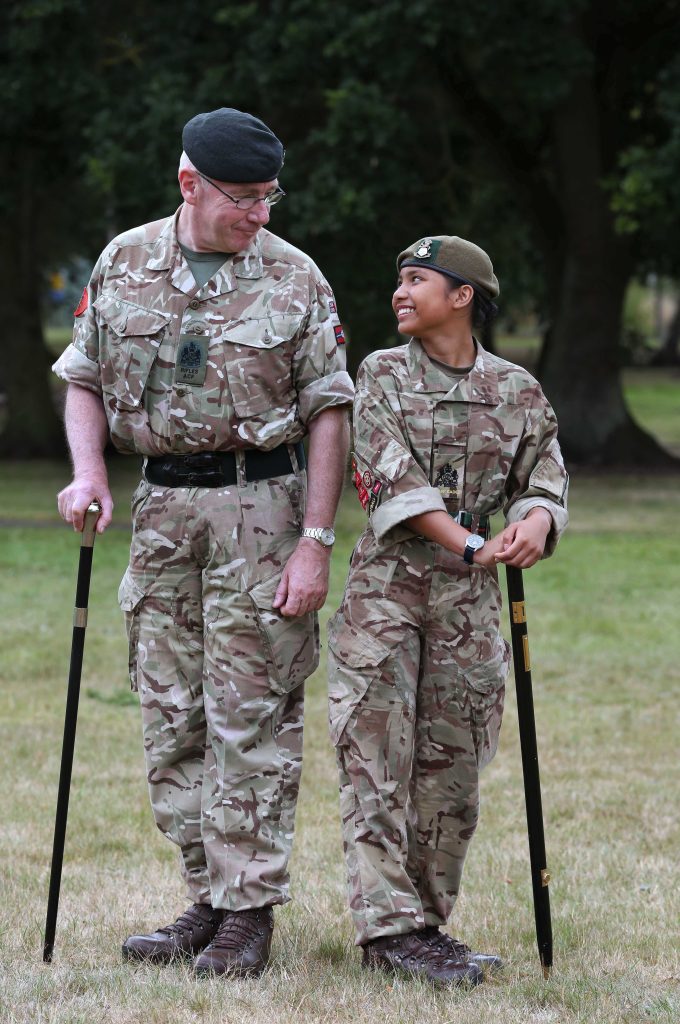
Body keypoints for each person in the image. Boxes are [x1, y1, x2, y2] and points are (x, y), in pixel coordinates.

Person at [53, 107, 353, 977]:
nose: (259, 213)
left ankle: (248, 914)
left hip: (261, 510)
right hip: (162, 515)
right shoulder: (124, 261)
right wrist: (89, 473)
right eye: (243, 198)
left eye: (269, 197)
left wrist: (315, 540)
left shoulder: (294, 277)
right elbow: (82, 379)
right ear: (189, 184)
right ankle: (208, 898)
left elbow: (330, 411)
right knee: (171, 715)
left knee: (251, 716)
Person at [327, 235, 568, 987]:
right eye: (398, 280)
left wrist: (535, 521)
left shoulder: (516, 389)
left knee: (453, 769)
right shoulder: (381, 375)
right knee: (375, 761)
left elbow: (543, 474)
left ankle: (426, 926)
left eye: (417, 280)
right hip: (387, 595)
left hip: (469, 607)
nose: (399, 292)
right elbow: (388, 480)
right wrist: (470, 543)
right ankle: (388, 930)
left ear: (463, 296)